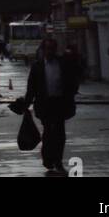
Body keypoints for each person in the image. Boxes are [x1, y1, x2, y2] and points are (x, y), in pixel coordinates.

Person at [24, 37, 80, 174]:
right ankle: (48, 157)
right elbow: (31, 88)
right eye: (47, 49)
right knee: (48, 132)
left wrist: (71, 95)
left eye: (52, 49)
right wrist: (26, 104)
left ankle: (58, 161)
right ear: (43, 50)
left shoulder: (63, 63)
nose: (50, 52)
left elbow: (73, 80)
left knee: (60, 133)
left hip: (59, 103)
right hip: (45, 104)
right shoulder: (37, 67)